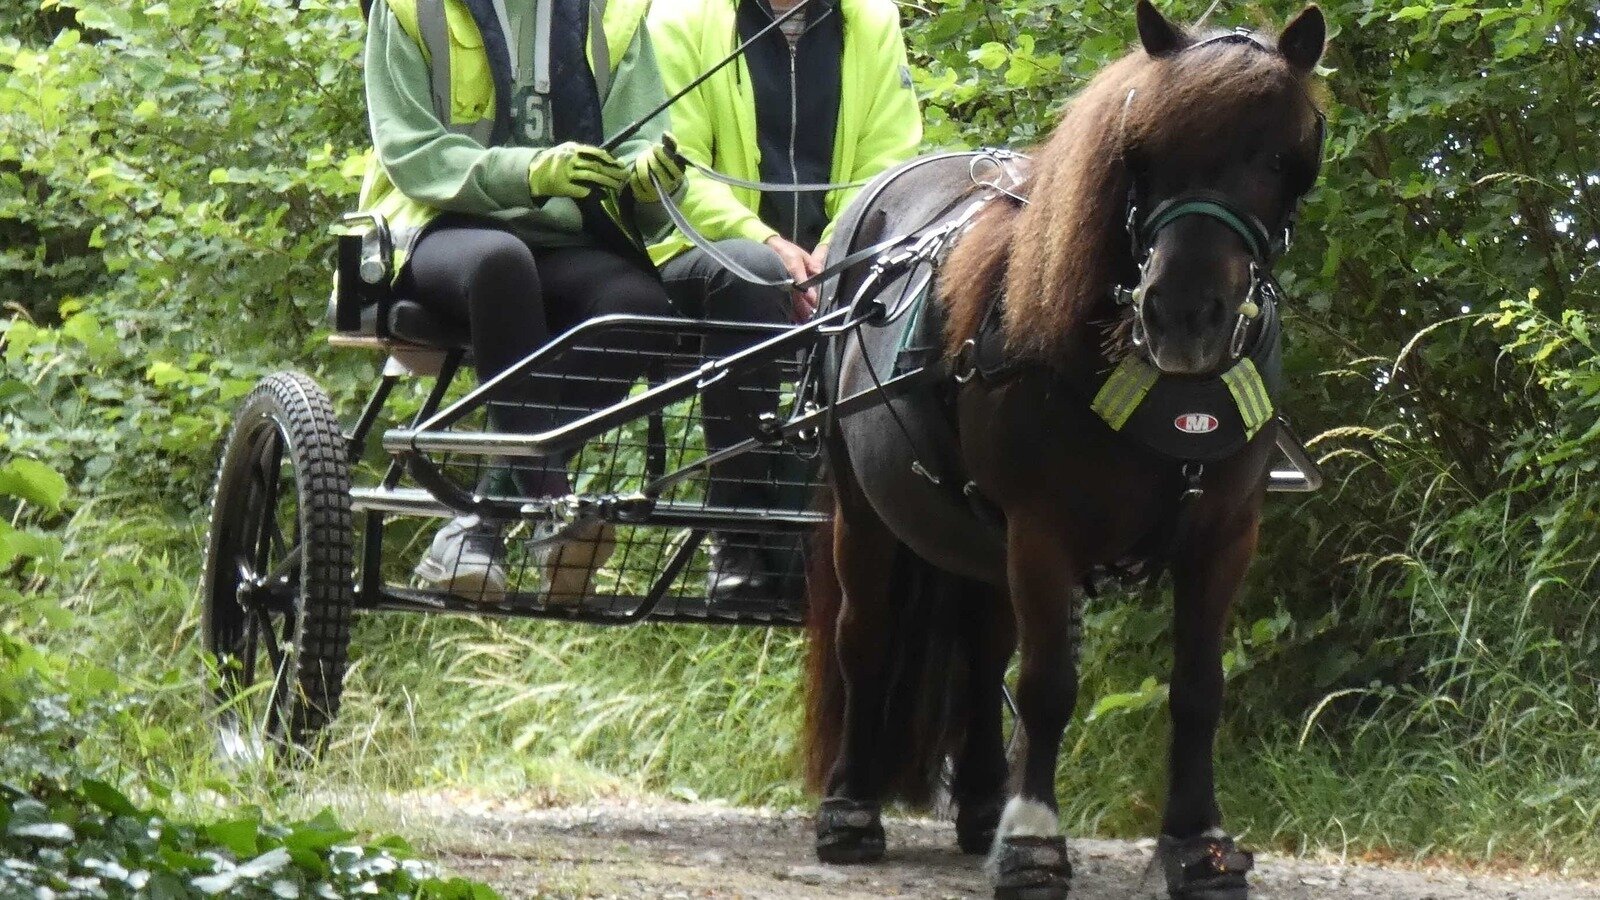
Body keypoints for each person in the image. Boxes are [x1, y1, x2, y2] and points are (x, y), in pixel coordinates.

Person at [358, 0, 687, 603]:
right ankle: (544, 504)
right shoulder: (408, 9)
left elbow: (637, 136)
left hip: (566, 235)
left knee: (637, 305)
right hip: (436, 227)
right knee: (501, 263)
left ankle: (481, 523)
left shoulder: (614, 11)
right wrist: (528, 172)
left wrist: (647, 179)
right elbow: (409, 151)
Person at [647, 0, 923, 598]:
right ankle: (737, 539)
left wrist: (832, 252)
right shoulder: (679, 20)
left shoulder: (871, 21)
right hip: (702, 248)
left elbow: (891, 157)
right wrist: (769, 244)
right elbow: (675, 168)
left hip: (839, 252)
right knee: (751, 276)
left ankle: (841, 545)